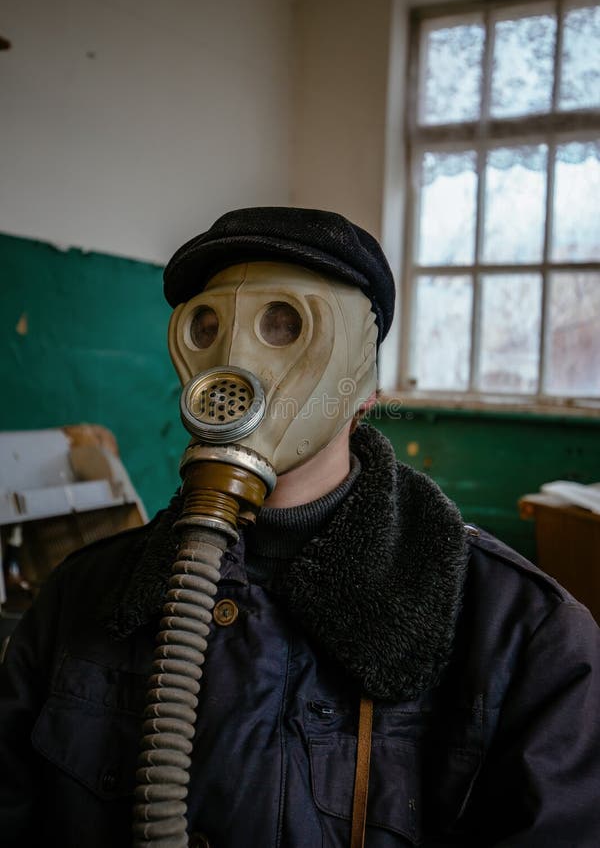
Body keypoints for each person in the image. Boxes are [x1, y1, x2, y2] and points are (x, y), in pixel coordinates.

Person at [1, 206, 599, 848]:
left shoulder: (520, 629)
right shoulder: (84, 594)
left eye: (284, 324)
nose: (236, 360)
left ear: (364, 385)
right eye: (207, 326)